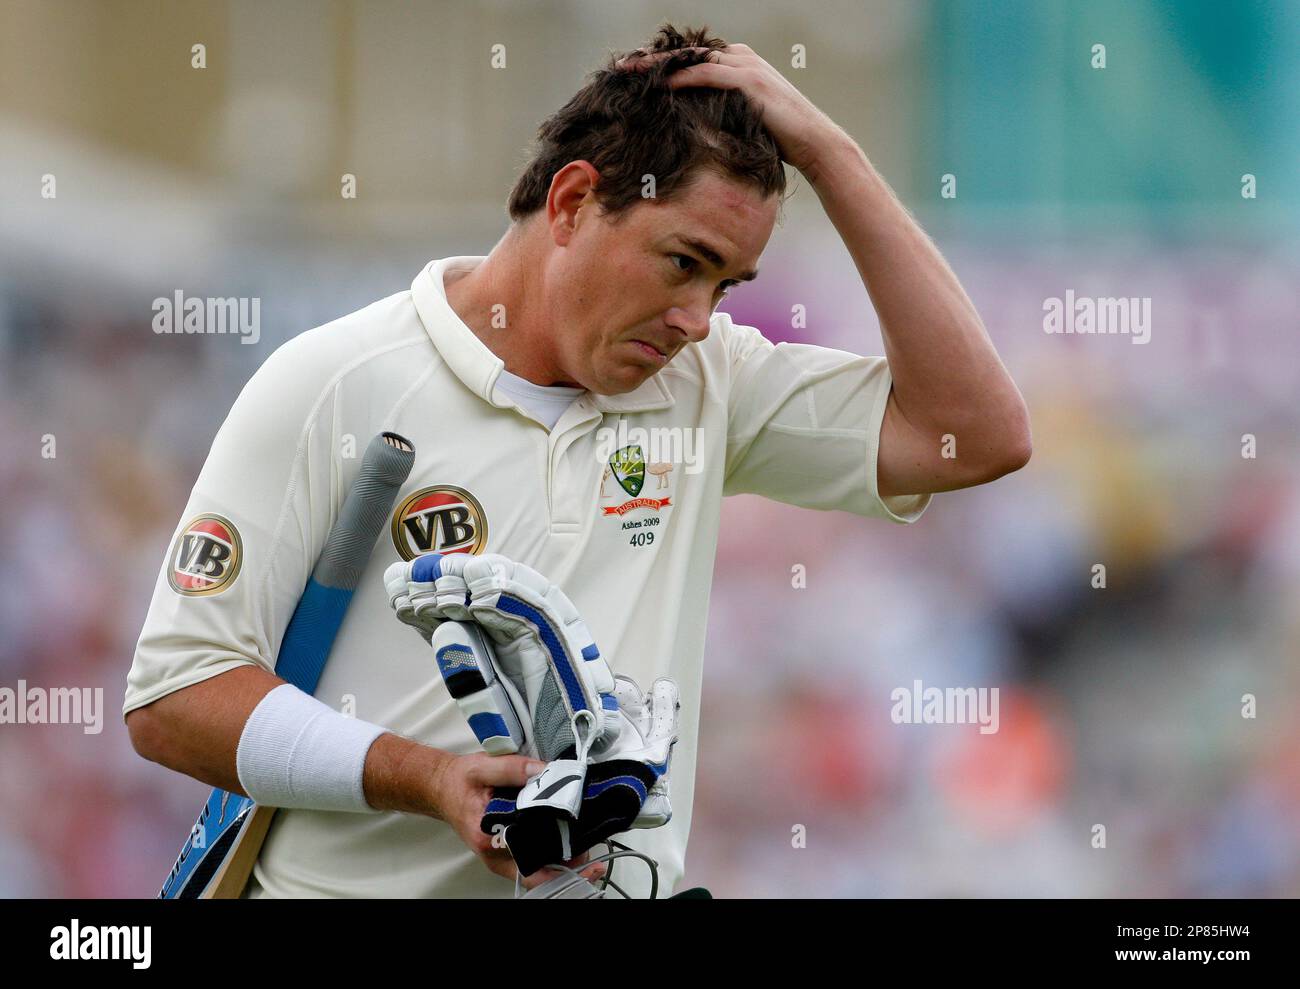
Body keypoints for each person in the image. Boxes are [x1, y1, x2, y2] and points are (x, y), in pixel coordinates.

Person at [124, 23, 1030, 898]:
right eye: (683, 262)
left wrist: (832, 155)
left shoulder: (709, 385)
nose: (699, 318)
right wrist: (428, 778)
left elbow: (977, 434)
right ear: (571, 203)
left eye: (726, 284)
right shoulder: (335, 382)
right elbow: (177, 694)